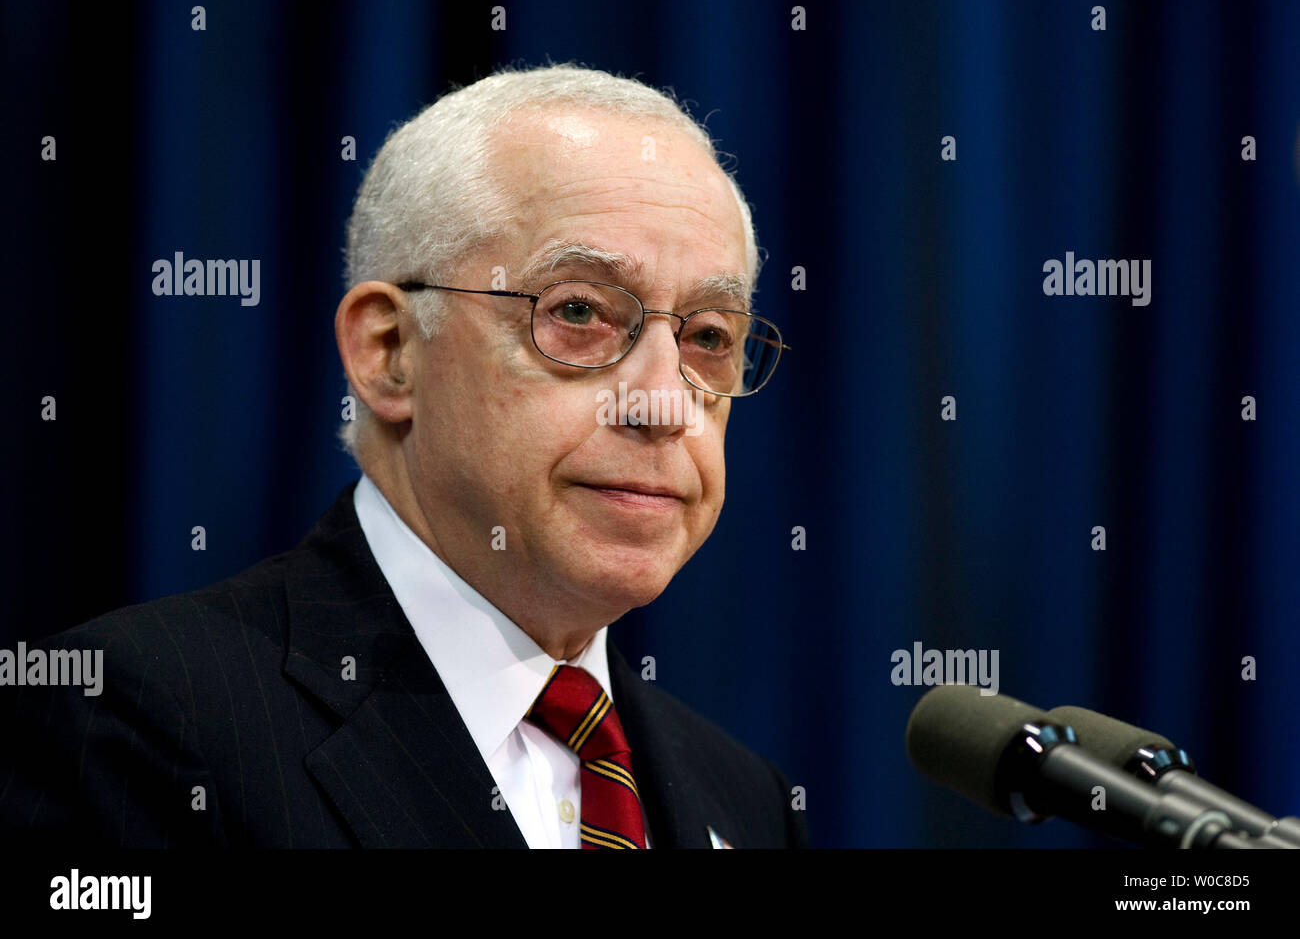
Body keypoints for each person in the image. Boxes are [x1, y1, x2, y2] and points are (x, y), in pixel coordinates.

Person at [0, 64, 804, 849]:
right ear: (389, 352)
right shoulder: (138, 720)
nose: (664, 403)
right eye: (580, 312)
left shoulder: (744, 798)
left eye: (708, 336)